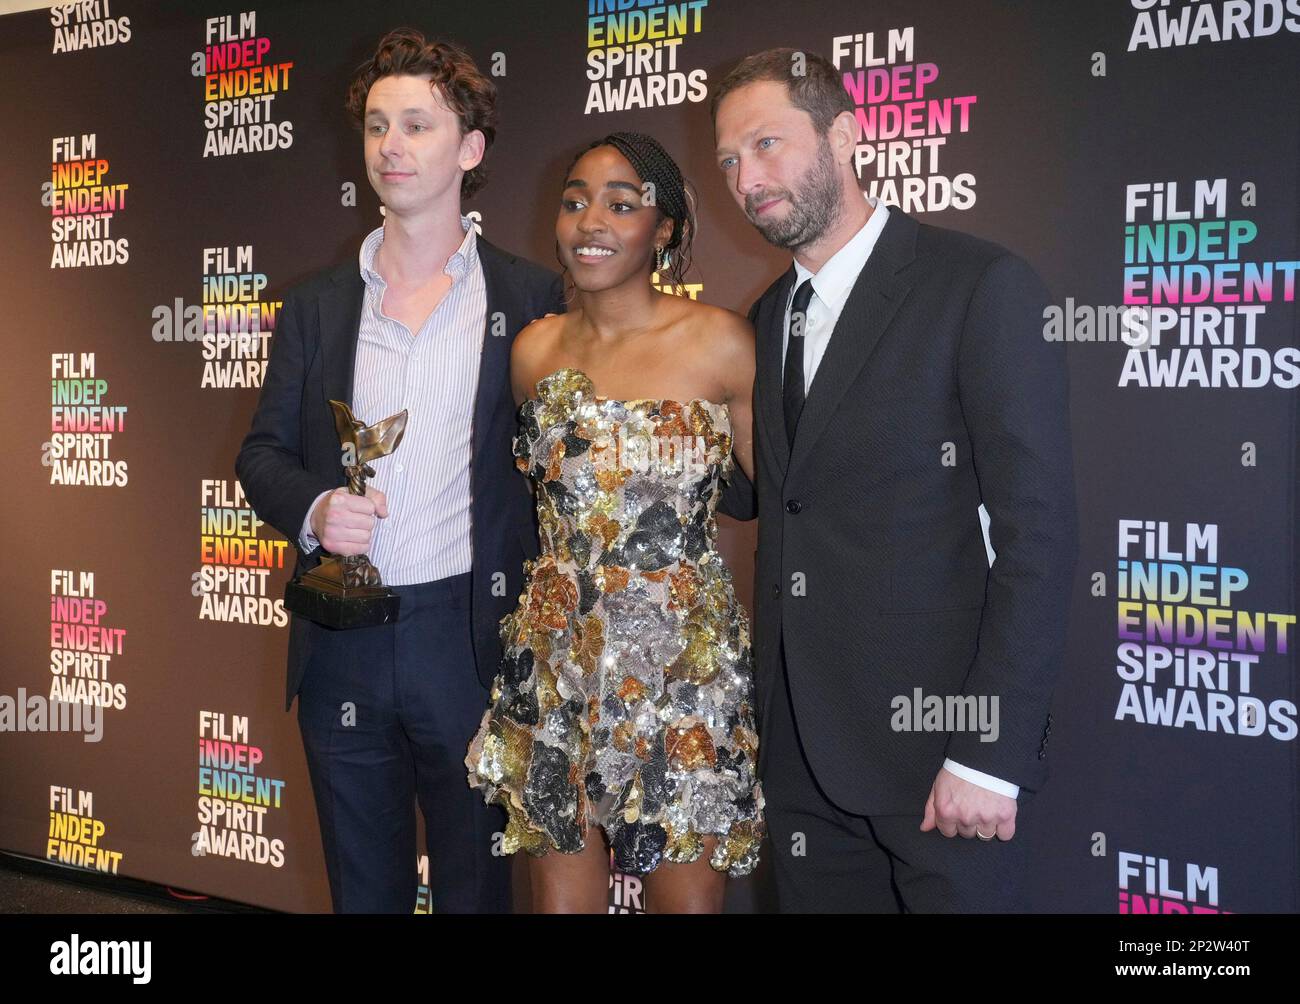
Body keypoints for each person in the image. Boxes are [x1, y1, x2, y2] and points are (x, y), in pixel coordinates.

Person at [711, 49, 1078, 912]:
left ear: (844, 134)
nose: (746, 178)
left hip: (939, 757)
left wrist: (989, 750)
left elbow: (1040, 536)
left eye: (767, 145)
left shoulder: (978, 285)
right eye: (728, 161)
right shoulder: (764, 320)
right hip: (800, 756)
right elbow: (766, 495)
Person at [235, 28, 563, 913]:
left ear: (470, 149)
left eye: (417, 125)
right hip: (342, 637)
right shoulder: (313, 307)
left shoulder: (532, 300)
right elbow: (260, 454)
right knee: (362, 891)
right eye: (378, 126)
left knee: (476, 890)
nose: (391, 146)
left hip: (470, 638)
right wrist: (313, 510)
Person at [465, 131, 764, 913]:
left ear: (662, 230)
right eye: (574, 202)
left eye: (621, 204)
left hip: (682, 669)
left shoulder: (724, 343)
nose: (590, 220)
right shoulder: (532, 351)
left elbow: (792, 500)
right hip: (556, 656)